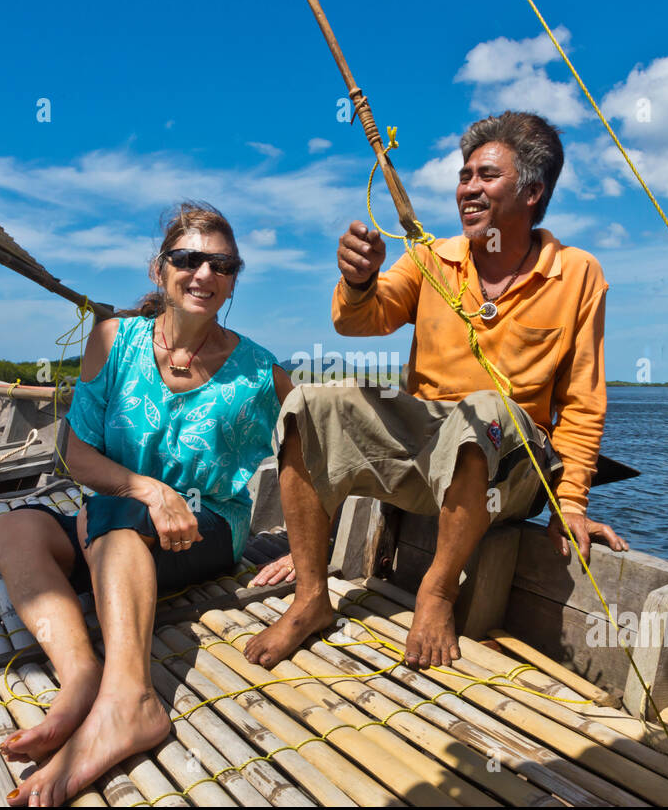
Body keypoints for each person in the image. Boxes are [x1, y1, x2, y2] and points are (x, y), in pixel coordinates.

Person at [245, 111, 628, 672]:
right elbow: (359, 321)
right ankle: (311, 598)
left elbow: (583, 398)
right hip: (420, 462)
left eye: (487, 176)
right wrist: (359, 279)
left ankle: (438, 592)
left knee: (485, 409)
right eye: (464, 175)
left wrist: (571, 501)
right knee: (310, 401)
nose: (467, 188)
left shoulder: (578, 273)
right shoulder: (430, 257)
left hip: (506, 472)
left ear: (533, 191)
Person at [0, 202, 294, 807]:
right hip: (115, 524)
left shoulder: (261, 374)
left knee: (111, 513)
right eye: (188, 259)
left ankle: (131, 703)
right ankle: (80, 677)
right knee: (14, 527)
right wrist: (149, 489)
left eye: (222, 264)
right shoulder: (113, 341)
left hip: (201, 530)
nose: (204, 274)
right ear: (161, 270)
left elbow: (323, 453)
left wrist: (312, 556)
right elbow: (78, 456)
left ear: (234, 279)